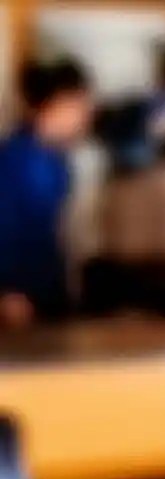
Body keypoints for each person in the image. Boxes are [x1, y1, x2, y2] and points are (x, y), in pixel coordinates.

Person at [0, 58, 93, 328]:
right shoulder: (15, 160)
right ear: (59, 103)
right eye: (81, 104)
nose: (86, 115)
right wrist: (6, 290)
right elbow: (5, 228)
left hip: (48, 292)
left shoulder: (56, 161)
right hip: (21, 298)